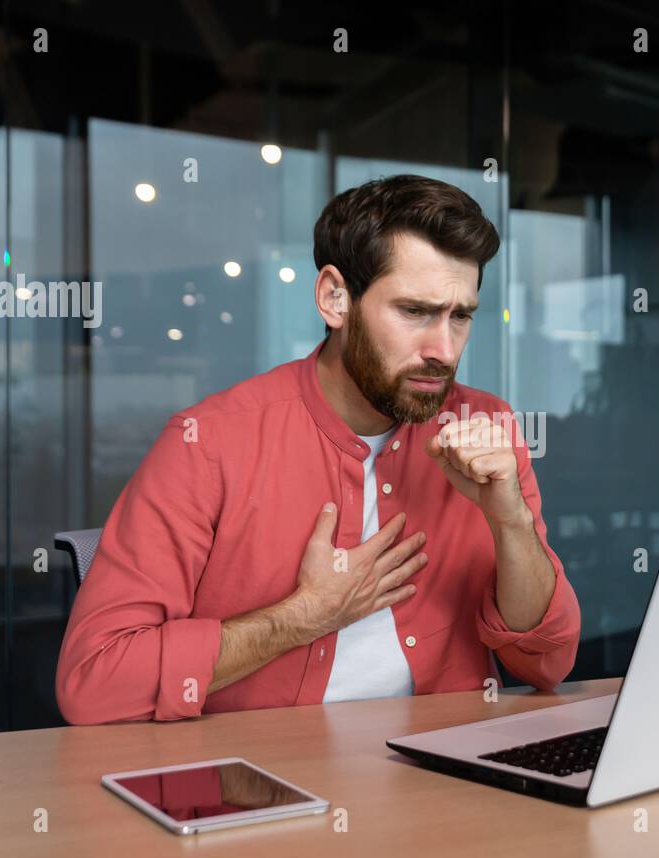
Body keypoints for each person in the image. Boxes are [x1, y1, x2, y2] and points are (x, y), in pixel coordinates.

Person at [56, 175, 581, 724]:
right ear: (336, 298)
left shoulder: (485, 424)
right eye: (414, 312)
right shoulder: (206, 442)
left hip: (446, 773)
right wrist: (304, 616)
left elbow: (547, 663)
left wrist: (510, 520)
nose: (443, 351)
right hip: (263, 781)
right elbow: (94, 681)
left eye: (461, 316)